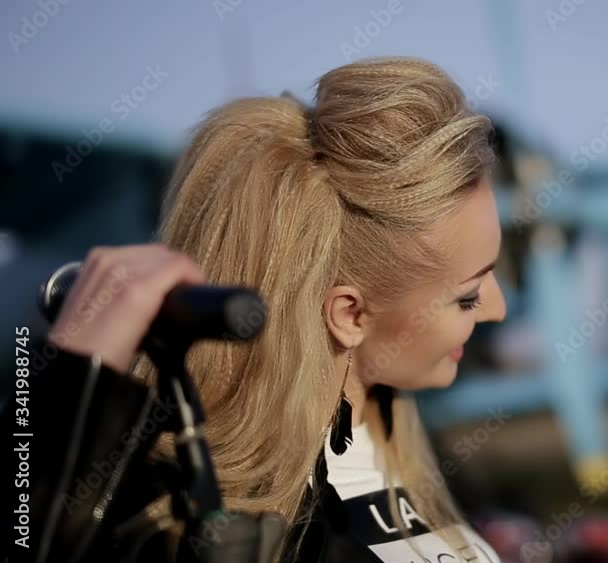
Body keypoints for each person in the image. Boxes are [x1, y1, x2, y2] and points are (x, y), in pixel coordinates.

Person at [31, 57, 508, 562]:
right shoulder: (186, 525)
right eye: (468, 296)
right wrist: (73, 384)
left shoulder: (416, 464)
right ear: (350, 316)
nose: (495, 310)